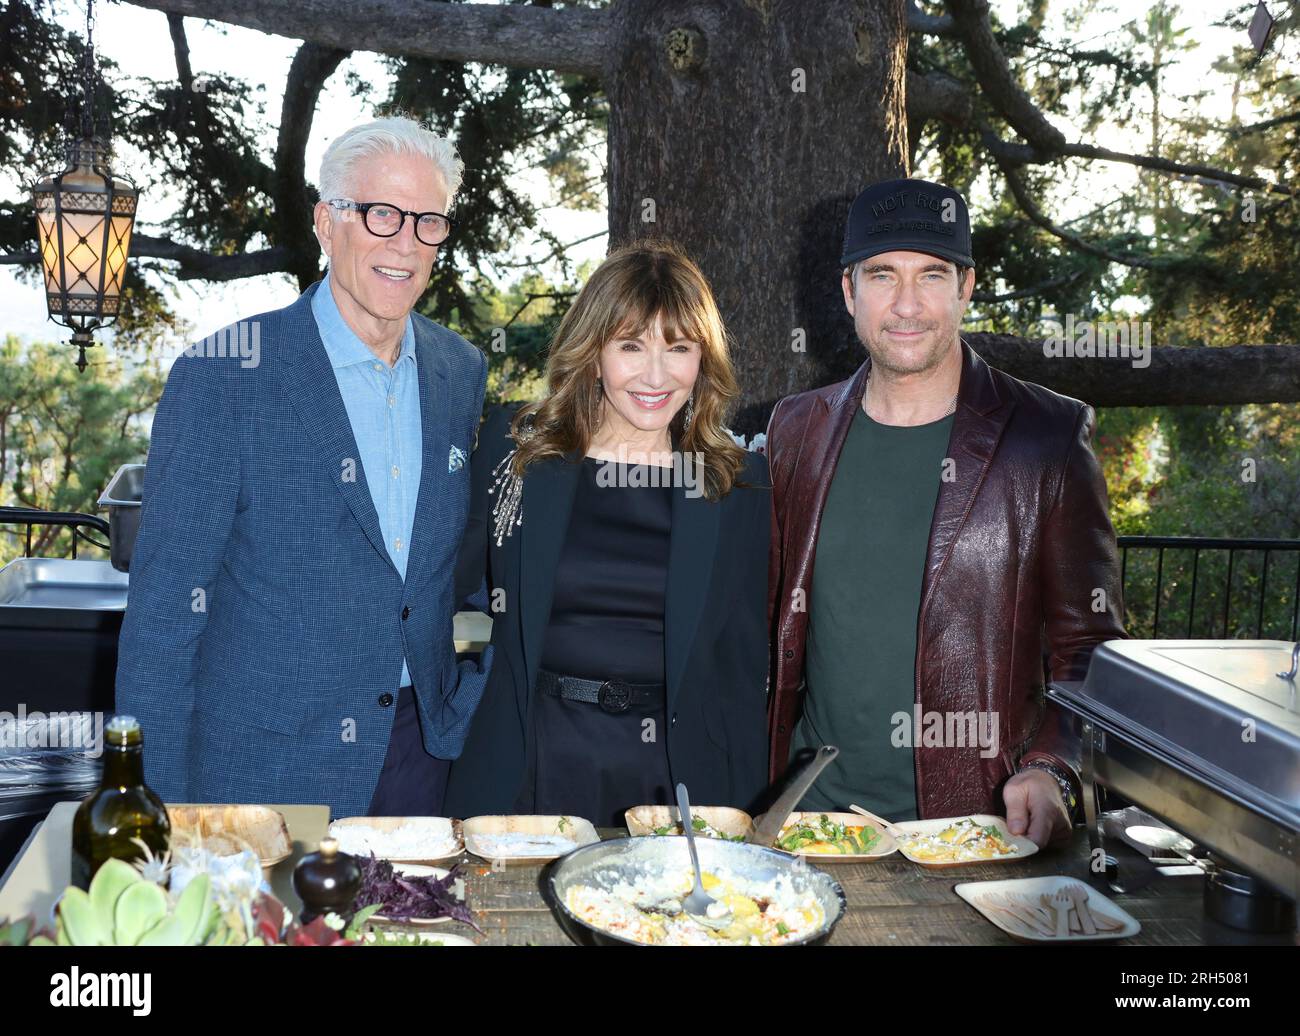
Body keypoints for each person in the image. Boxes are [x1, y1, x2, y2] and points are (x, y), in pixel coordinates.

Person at [115, 116, 492, 818]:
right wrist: (155, 812)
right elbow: (164, 618)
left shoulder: (458, 369)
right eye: (382, 215)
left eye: (429, 221)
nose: (405, 244)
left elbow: (463, 564)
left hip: (422, 764)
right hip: (263, 774)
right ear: (327, 221)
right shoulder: (224, 375)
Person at [766, 178, 1127, 847]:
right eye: (882, 275)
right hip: (809, 824)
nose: (906, 304)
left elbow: (1094, 650)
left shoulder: (1046, 436)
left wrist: (1053, 768)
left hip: (972, 829)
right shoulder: (796, 428)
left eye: (932, 275)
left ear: (966, 288)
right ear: (849, 292)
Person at [445, 241, 770, 825]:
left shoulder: (735, 482)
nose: (654, 374)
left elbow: (740, 669)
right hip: (529, 767)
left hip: (674, 780)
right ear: (593, 354)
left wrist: (746, 812)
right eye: (630, 346)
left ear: (703, 360)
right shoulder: (518, 450)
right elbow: (444, 583)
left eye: (678, 348)